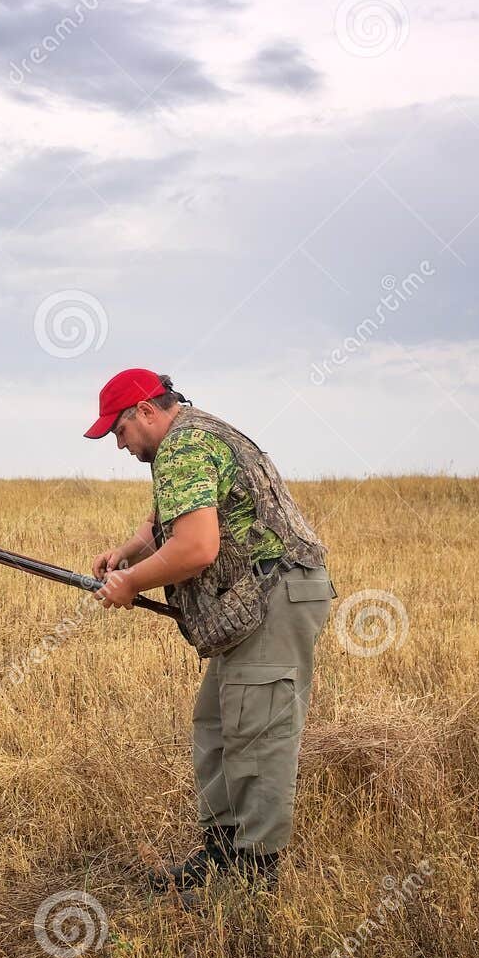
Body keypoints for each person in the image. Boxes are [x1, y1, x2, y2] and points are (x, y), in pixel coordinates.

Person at [85, 368, 334, 901]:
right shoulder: (192, 437)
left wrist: (129, 583)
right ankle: (222, 854)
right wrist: (127, 554)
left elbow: (196, 548)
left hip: (272, 597)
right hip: (251, 603)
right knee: (218, 724)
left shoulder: (184, 447)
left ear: (146, 411)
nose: (119, 444)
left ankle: (253, 880)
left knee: (256, 735)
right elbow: (167, 527)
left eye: (119, 431)